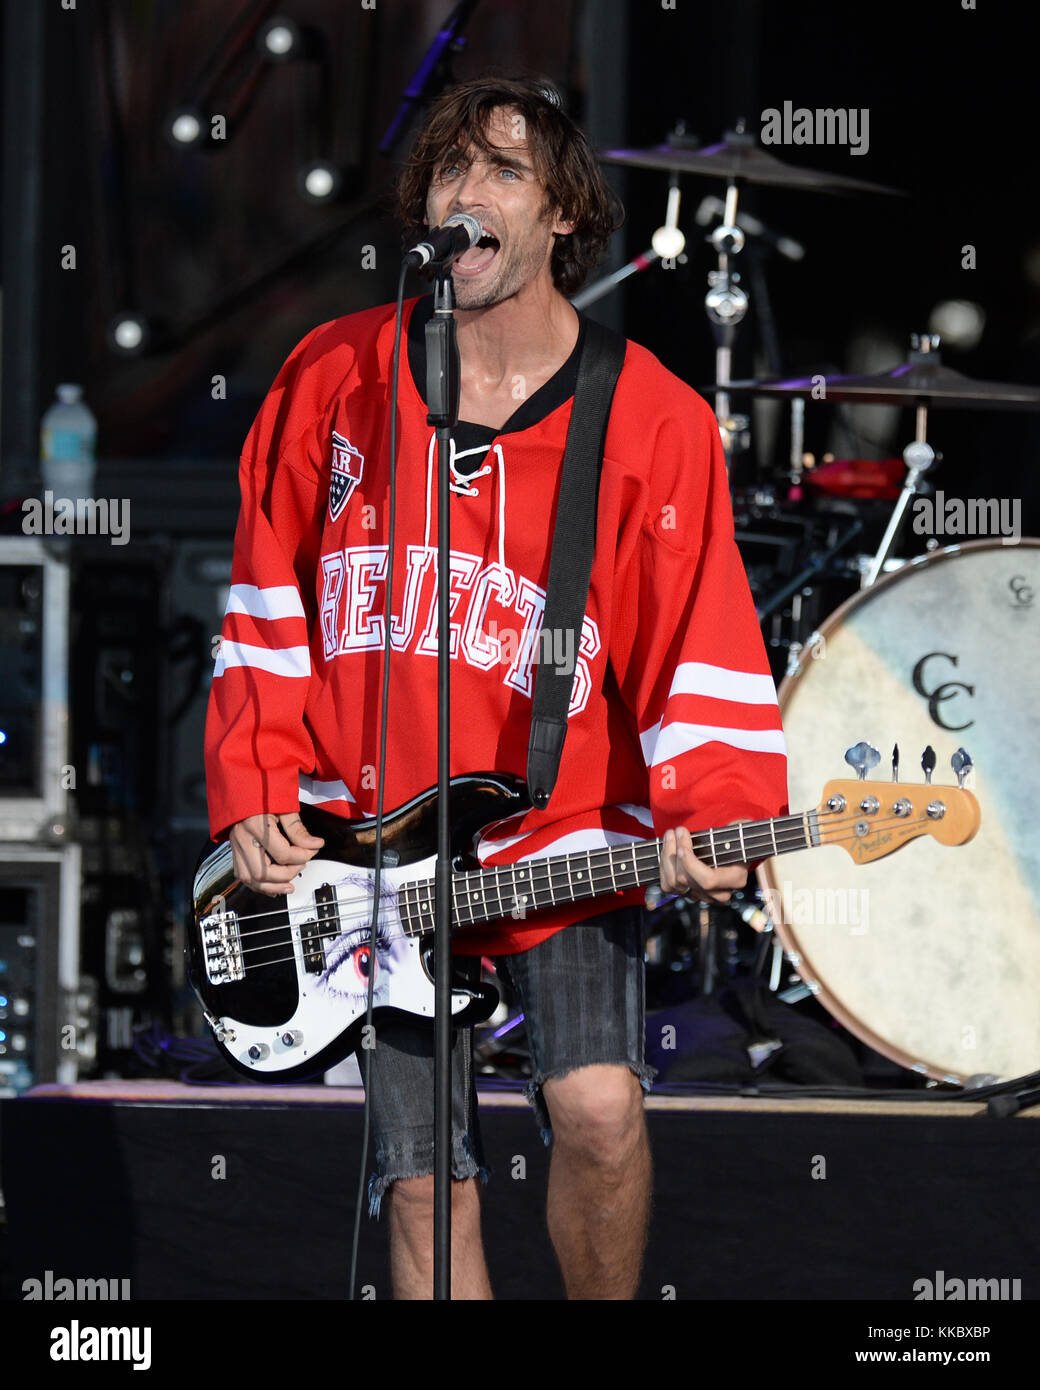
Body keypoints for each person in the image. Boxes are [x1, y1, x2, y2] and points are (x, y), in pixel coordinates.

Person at [204, 75, 788, 1300]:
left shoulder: (652, 420)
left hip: (557, 832)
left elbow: (703, 632)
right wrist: (255, 778)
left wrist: (719, 800)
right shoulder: (334, 375)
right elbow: (265, 594)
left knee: (595, 1112)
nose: (461, 196)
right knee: (423, 1180)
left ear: (564, 215)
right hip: (366, 855)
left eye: (501, 173)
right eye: (443, 173)